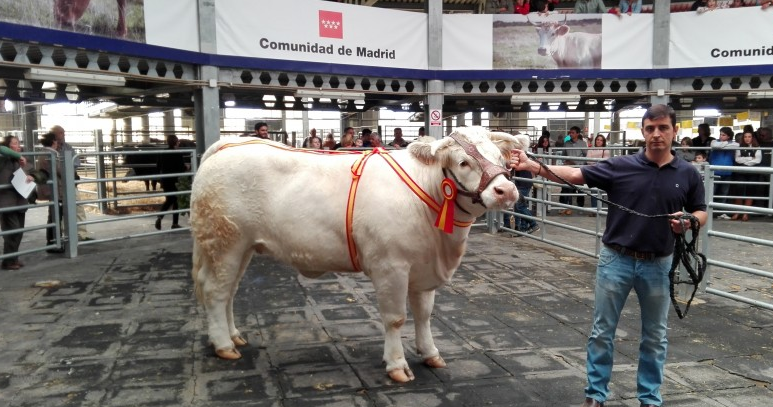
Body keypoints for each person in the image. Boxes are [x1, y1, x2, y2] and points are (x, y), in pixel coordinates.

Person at [509, 104, 707, 407]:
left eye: (663, 128)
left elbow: (701, 210)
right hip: (616, 260)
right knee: (602, 331)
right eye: (650, 128)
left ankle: (649, 398)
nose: (656, 134)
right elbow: (575, 174)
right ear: (642, 132)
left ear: (674, 131)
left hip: (659, 263)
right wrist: (533, 166)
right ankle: (595, 395)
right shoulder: (620, 165)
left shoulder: (688, 173)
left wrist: (690, 221)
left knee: (655, 336)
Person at [0, 136, 35, 269]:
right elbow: (1, 148)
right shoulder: (3, 159)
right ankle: (7, 261)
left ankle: (13, 258)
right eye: (14, 143)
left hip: (20, 200)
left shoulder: (23, 160)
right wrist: (18, 156)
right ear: (8, 146)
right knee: (12, 230)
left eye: (18, 142)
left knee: (19, 231)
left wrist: (32, 176)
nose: (18, 145)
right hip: (6, 201)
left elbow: (34, 172)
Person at [51, 125, 90, 241]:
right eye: (61, 133)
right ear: (55, 135)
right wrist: (66, 166)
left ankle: (82, 234)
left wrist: (66, 167)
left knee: (78, 207)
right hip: (57, 185)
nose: (63, 135)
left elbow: (76, 162)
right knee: (61, 210)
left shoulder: (68, 147)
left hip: (70, 182)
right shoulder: (50, 149)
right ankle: (65, 235)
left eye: (63, 133)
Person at [36, 132, 66, 254]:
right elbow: (59, 170)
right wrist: (70, 173)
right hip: (54, 189)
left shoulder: (44, 153)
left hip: (51, 189)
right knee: (55, 216)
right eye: (56, 140)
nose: (57, 143)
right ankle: (53, 242)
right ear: (53, 141)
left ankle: (54, 241)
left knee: (54, 215)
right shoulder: (51, 154)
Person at [154, 135, 188, 230]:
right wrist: (187, 167)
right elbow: (181, 168)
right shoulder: (178, 154)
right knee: (175, 200)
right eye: (178, 142)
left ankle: (162, 218)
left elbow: (158, 166)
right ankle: (174, 223)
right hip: (175, 180)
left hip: (165, 179)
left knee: (169, 199)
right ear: (176, 142)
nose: (178, 143)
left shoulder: (162, 153)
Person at [730, 130, 762, 221]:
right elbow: (737, 159)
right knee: (739, 189)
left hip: (752, 172)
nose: (747, 139)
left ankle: (745, 213)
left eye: (749, 137)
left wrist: (745, 161)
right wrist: (750, 159)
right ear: (743, 138)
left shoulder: (757, 147)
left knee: (750, 190)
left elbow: (758, 160)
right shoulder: (739, 147)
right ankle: (737, 212)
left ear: (752, 138)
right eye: (745, 137)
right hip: (740, 172)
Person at [709, 127, 738, 219]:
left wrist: (722, 145)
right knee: (712, 192)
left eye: (723, 135)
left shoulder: (734, 143)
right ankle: (709, 211)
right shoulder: (714, 141)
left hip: (727, 172)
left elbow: (736, 146)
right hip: (715, 171)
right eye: (720, 134)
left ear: (729, 136)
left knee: (724, 193)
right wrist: (725, 143)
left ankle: (720, 212)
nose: (721, 136)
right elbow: (714, 146)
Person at [560, 126, 587, 214]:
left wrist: (580, 164)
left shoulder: (582, 143)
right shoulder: (566, 143)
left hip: (579, 169)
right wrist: (565, 161)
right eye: (570, 133)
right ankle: (568, 207)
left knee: (580, 188)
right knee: (567, 188)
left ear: (577, 134)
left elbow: (586, 155)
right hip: (569, 169)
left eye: (573, 133)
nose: (570, 134)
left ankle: (580, 207)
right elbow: (563, 155)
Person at [585, 134, 610, 213]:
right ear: (595, 141)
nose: (599, 141)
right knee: (593, 191)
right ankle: (594, 210)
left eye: (601, 140)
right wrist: (598, 162)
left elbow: (606, 161)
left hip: (601, 172)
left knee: (601, 190)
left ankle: (599, 209)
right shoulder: (591, 149)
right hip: (593, 171)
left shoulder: (606, 150)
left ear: (603, 142)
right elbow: (588, 161)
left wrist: (595, 163)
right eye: (597, 140)